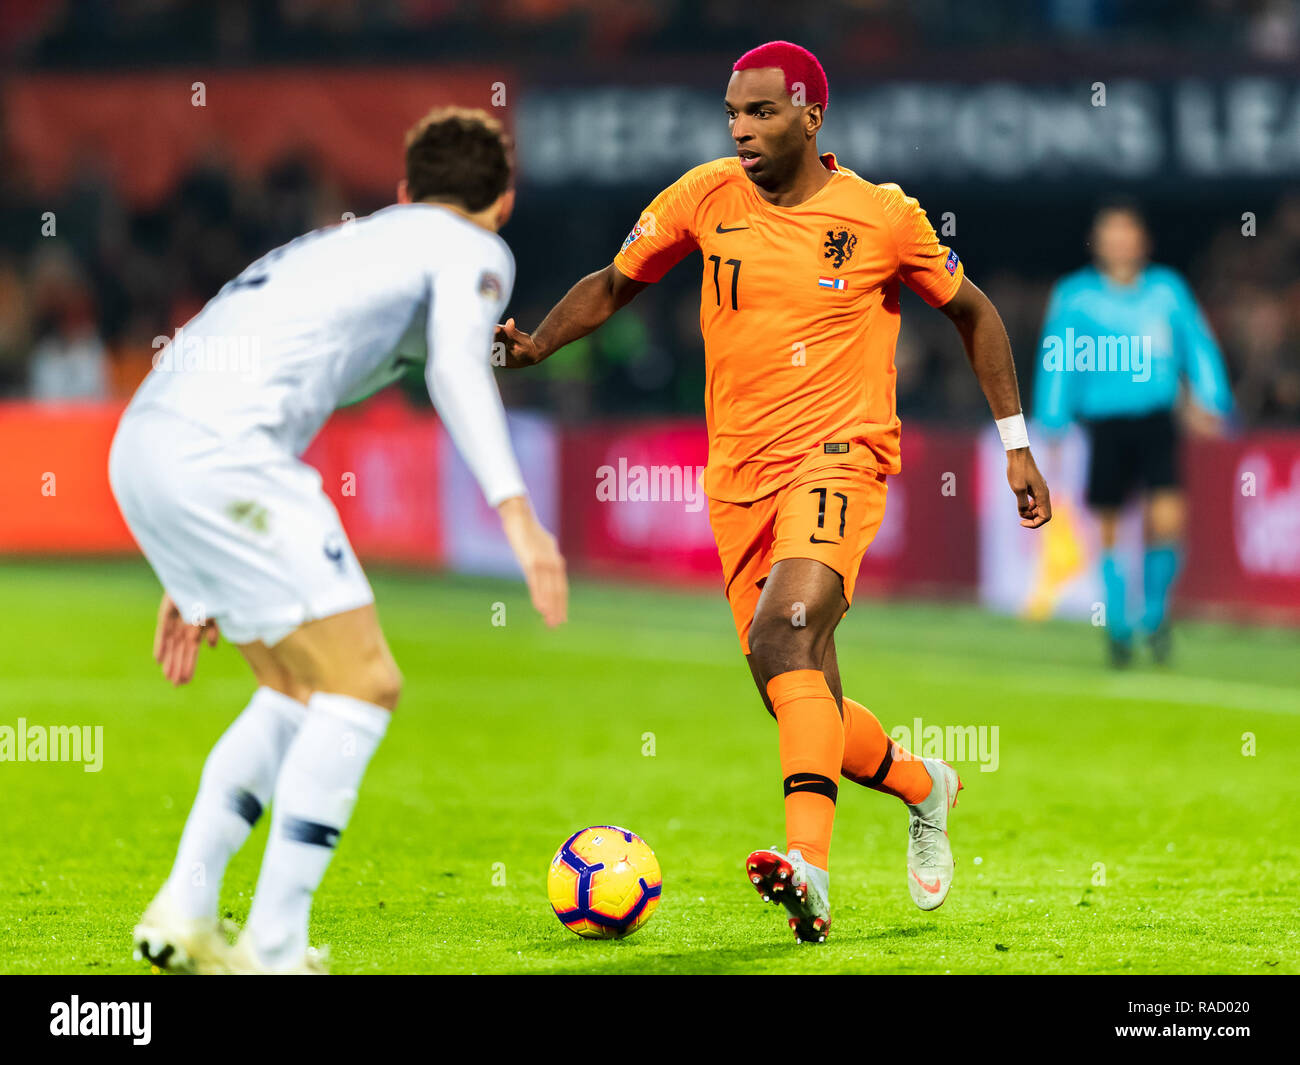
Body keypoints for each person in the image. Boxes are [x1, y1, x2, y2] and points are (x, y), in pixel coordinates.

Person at [495, 41, 1051, 942]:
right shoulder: (704, 195)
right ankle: (924, 784)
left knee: (786, 629)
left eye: (760, 113)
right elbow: (613, 283)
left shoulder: (881, 217)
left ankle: (810, 870)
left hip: (840, 455)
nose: (741, 130)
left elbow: (975, 311)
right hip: (739, 477)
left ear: (811, 116)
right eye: (731, 114)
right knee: (791, 683)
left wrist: (1015, 444)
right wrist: (537, 346)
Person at [109, 107, 567, 974]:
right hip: (224, 460)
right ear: (501, 202)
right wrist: (517, 509)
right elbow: (452, 366)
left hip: (148, 444)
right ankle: (276, 943)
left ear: (402, 191)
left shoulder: (344, 245)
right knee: (365, 683)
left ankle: (186, 909)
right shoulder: (471, 249)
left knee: (292, 689)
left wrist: (193, 558)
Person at [1034, 201, 1232, 667]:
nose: (1121, 242)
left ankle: (1155, 615)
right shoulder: (1076, 296)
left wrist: (1212, 399)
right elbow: (1057, 359)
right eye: (1111, 233)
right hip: (1105, 424)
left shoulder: (1166, 291)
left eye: (1128, 233)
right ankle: (1119, 624)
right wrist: (1053, 420)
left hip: (1156, 420)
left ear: (1143, 241)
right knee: (1107, 526)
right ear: (1098, 243)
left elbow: (1198, 345)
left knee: (1167, 520)